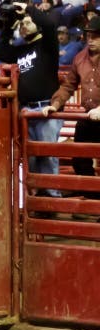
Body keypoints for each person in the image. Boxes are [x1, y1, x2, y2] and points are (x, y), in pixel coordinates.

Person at [0, 2, 63, 199]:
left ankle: (51, 200)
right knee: (30, 158)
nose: (23, 26)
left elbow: (50, 25)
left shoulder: (47, 45)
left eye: (27, 23)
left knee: (48, 156)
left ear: (37, 24)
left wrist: (29, 9)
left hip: (46, 109)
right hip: (26, 111)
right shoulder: (20, 49)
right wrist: (8, 25)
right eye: (21, 24)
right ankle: (34, 200)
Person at [44, 16, 100, 207]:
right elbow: (68, 85)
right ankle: (95, 203)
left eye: (96, 36)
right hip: (89, 117)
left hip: (97, 113)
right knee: (79, 159)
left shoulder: (80, 57)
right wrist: (56, 103)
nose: (91, 39)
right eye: (89, 35)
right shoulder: (79, 58)